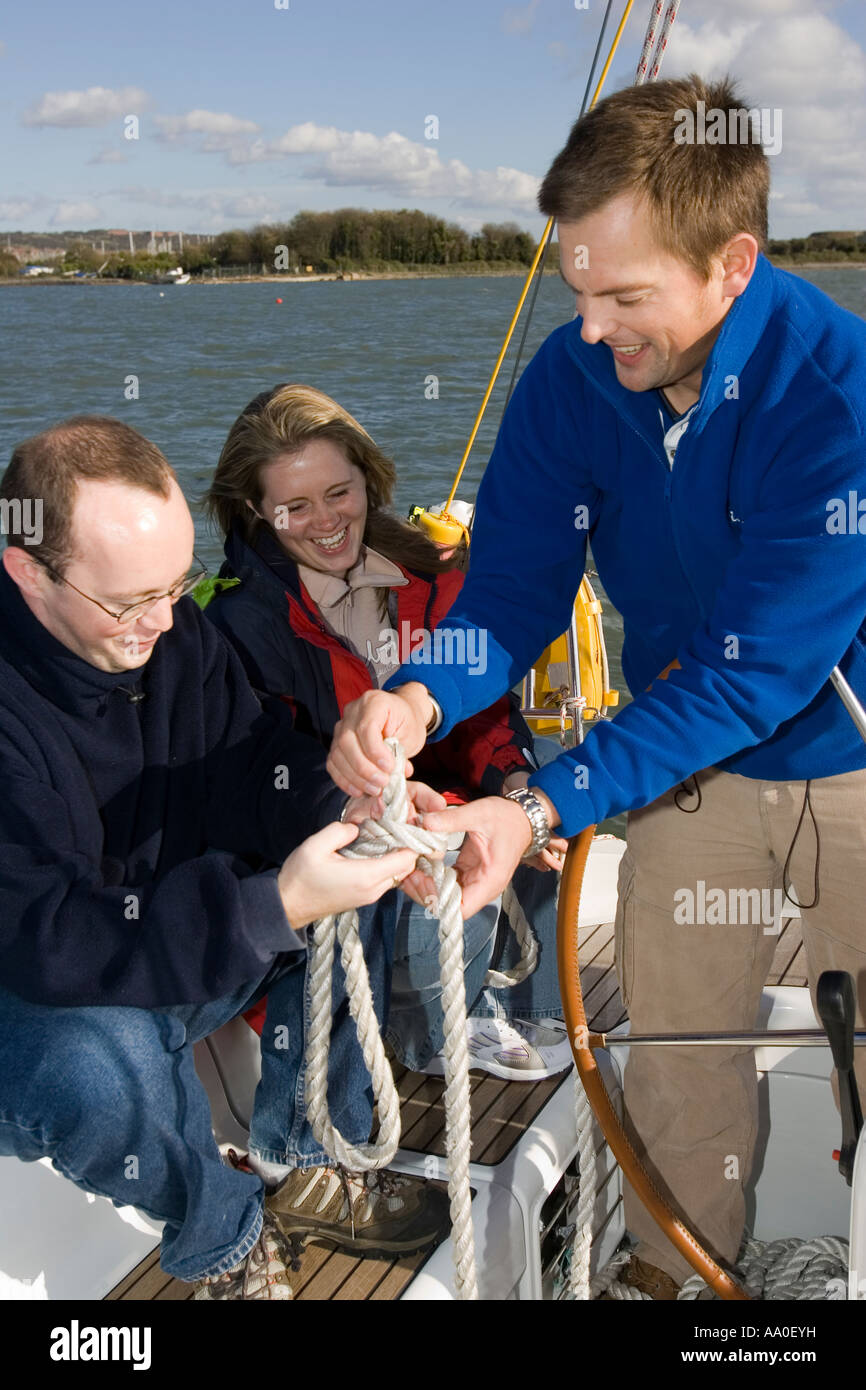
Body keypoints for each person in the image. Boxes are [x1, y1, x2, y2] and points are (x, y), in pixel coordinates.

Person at [326, 74, 866, 1299]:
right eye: (576, 285)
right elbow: (510, 592)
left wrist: (533, 802)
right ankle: (681, 1279)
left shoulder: (840, 396)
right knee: (678, 1046)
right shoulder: (573, 380)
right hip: (688, 769)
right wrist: (414, 697)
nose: (587, 327)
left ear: (731, 264)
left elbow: (754, 674)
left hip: (844, 758)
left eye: (624, 295)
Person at [0, 415, 452, 1302]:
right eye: (131, 601)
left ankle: (312, 1156)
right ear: (27, 570)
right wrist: (266, 906)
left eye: (180, 585)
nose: (168, 622)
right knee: (100, 1062)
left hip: (155, 944)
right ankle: (223, 1232)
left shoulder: (167, 628)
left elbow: (249, 759)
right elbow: (47, 938)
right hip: (36, 1001)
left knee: (352, 857)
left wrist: (348, 802)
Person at [201, 382, 571, 1085]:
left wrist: (516, 784)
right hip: (336, 837)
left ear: (368, 477)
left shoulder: (434, 578)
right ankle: (423, 1032)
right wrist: (397, 808)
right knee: (440, 840)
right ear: (254, 510)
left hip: (433, 809)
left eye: (339, 493)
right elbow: (263, 775)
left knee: (547, 777)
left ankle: (530, 1006)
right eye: (294, 507)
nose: (325, 523)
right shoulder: (236, 626)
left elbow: (486, 711)